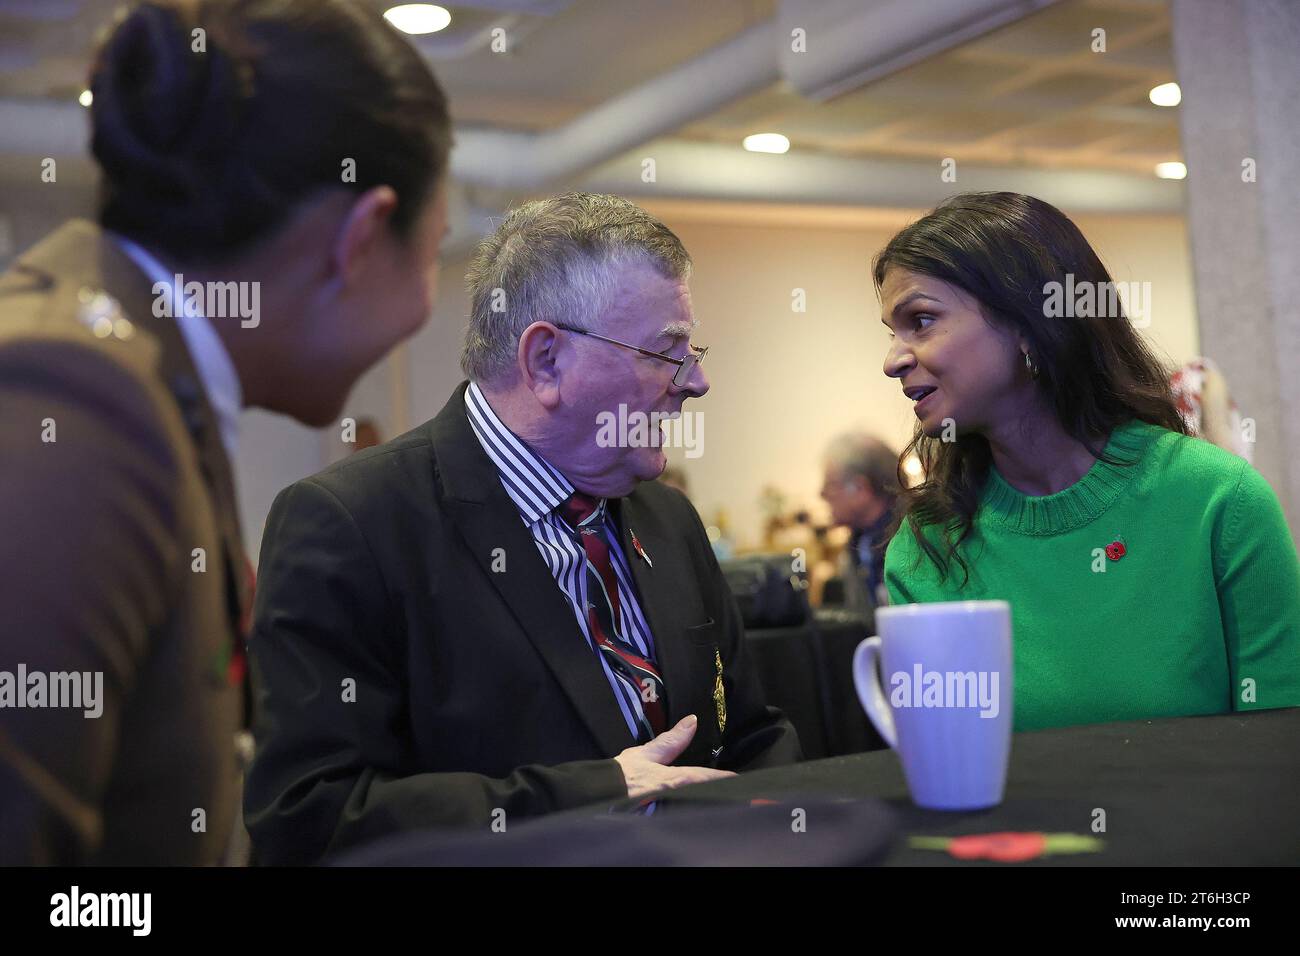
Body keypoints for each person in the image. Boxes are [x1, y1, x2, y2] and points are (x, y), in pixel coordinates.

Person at [0, 0, 451, 865]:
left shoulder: (136, 371)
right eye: (431, 255)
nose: (425, 304)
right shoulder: (80, 405)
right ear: (358, 242)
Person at [244, 193, 802, 865]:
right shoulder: (352, 525)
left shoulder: (668, 517)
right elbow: (312, 816)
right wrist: (601, 791)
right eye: (666, 352)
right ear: (546, 362)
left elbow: (751, 732)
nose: (698, 382)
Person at [876, 191, 1300, 732]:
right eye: (892, 332)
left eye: (922, 321)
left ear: (1029, 323)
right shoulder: (928, 545)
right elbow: (946, 764)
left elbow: (1283, 746)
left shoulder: (1218, 502)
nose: (893, 360)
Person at [820, 433, 898, 611]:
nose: (822, 494)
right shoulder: (859, 544)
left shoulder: (910, 542)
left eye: (830, 484)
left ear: (860, 489)